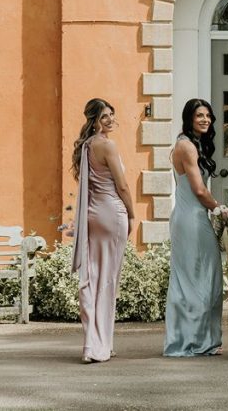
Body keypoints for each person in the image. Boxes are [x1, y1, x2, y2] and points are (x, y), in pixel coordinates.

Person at [71, 98, 136, 364]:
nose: (109, 120)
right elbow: (122, 186)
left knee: (94, 277)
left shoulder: (85, 147)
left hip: (93, 216)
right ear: (93, 119)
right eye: (104, 116)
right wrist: (131, 213)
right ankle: (99, 345)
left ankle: (94, 343)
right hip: (112, 213)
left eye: (111, 114)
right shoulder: (107, 145)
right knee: (107, 280)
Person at [163, 98, 224, 357]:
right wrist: (222, 210)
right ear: (189, 118)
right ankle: (187, 342)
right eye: (199, 115)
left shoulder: (193, 144)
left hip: (193, 217)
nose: (205, 119)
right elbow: (199, 190)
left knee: (201, 277)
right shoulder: (186, 147)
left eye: (208, 115)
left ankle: (200, 340)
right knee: (195, 279)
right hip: (192, 218)